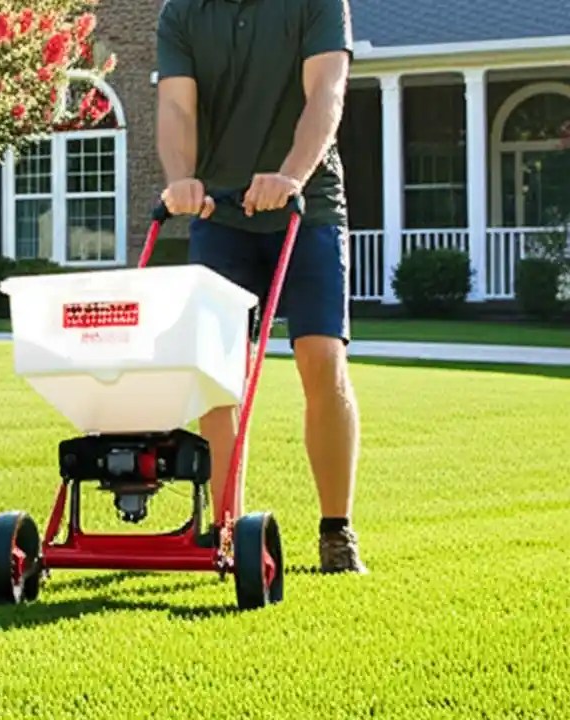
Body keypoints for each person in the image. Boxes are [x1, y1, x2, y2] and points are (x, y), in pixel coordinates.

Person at [154, 0, 367, 573]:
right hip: (221, 216)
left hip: (307, 206)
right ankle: (227, 530)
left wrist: (291, 175)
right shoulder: (183, 13)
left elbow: (326, 93)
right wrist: (180, 182)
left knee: (321, 359)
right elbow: (176, 105)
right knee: (221, 377)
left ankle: (336, 531)